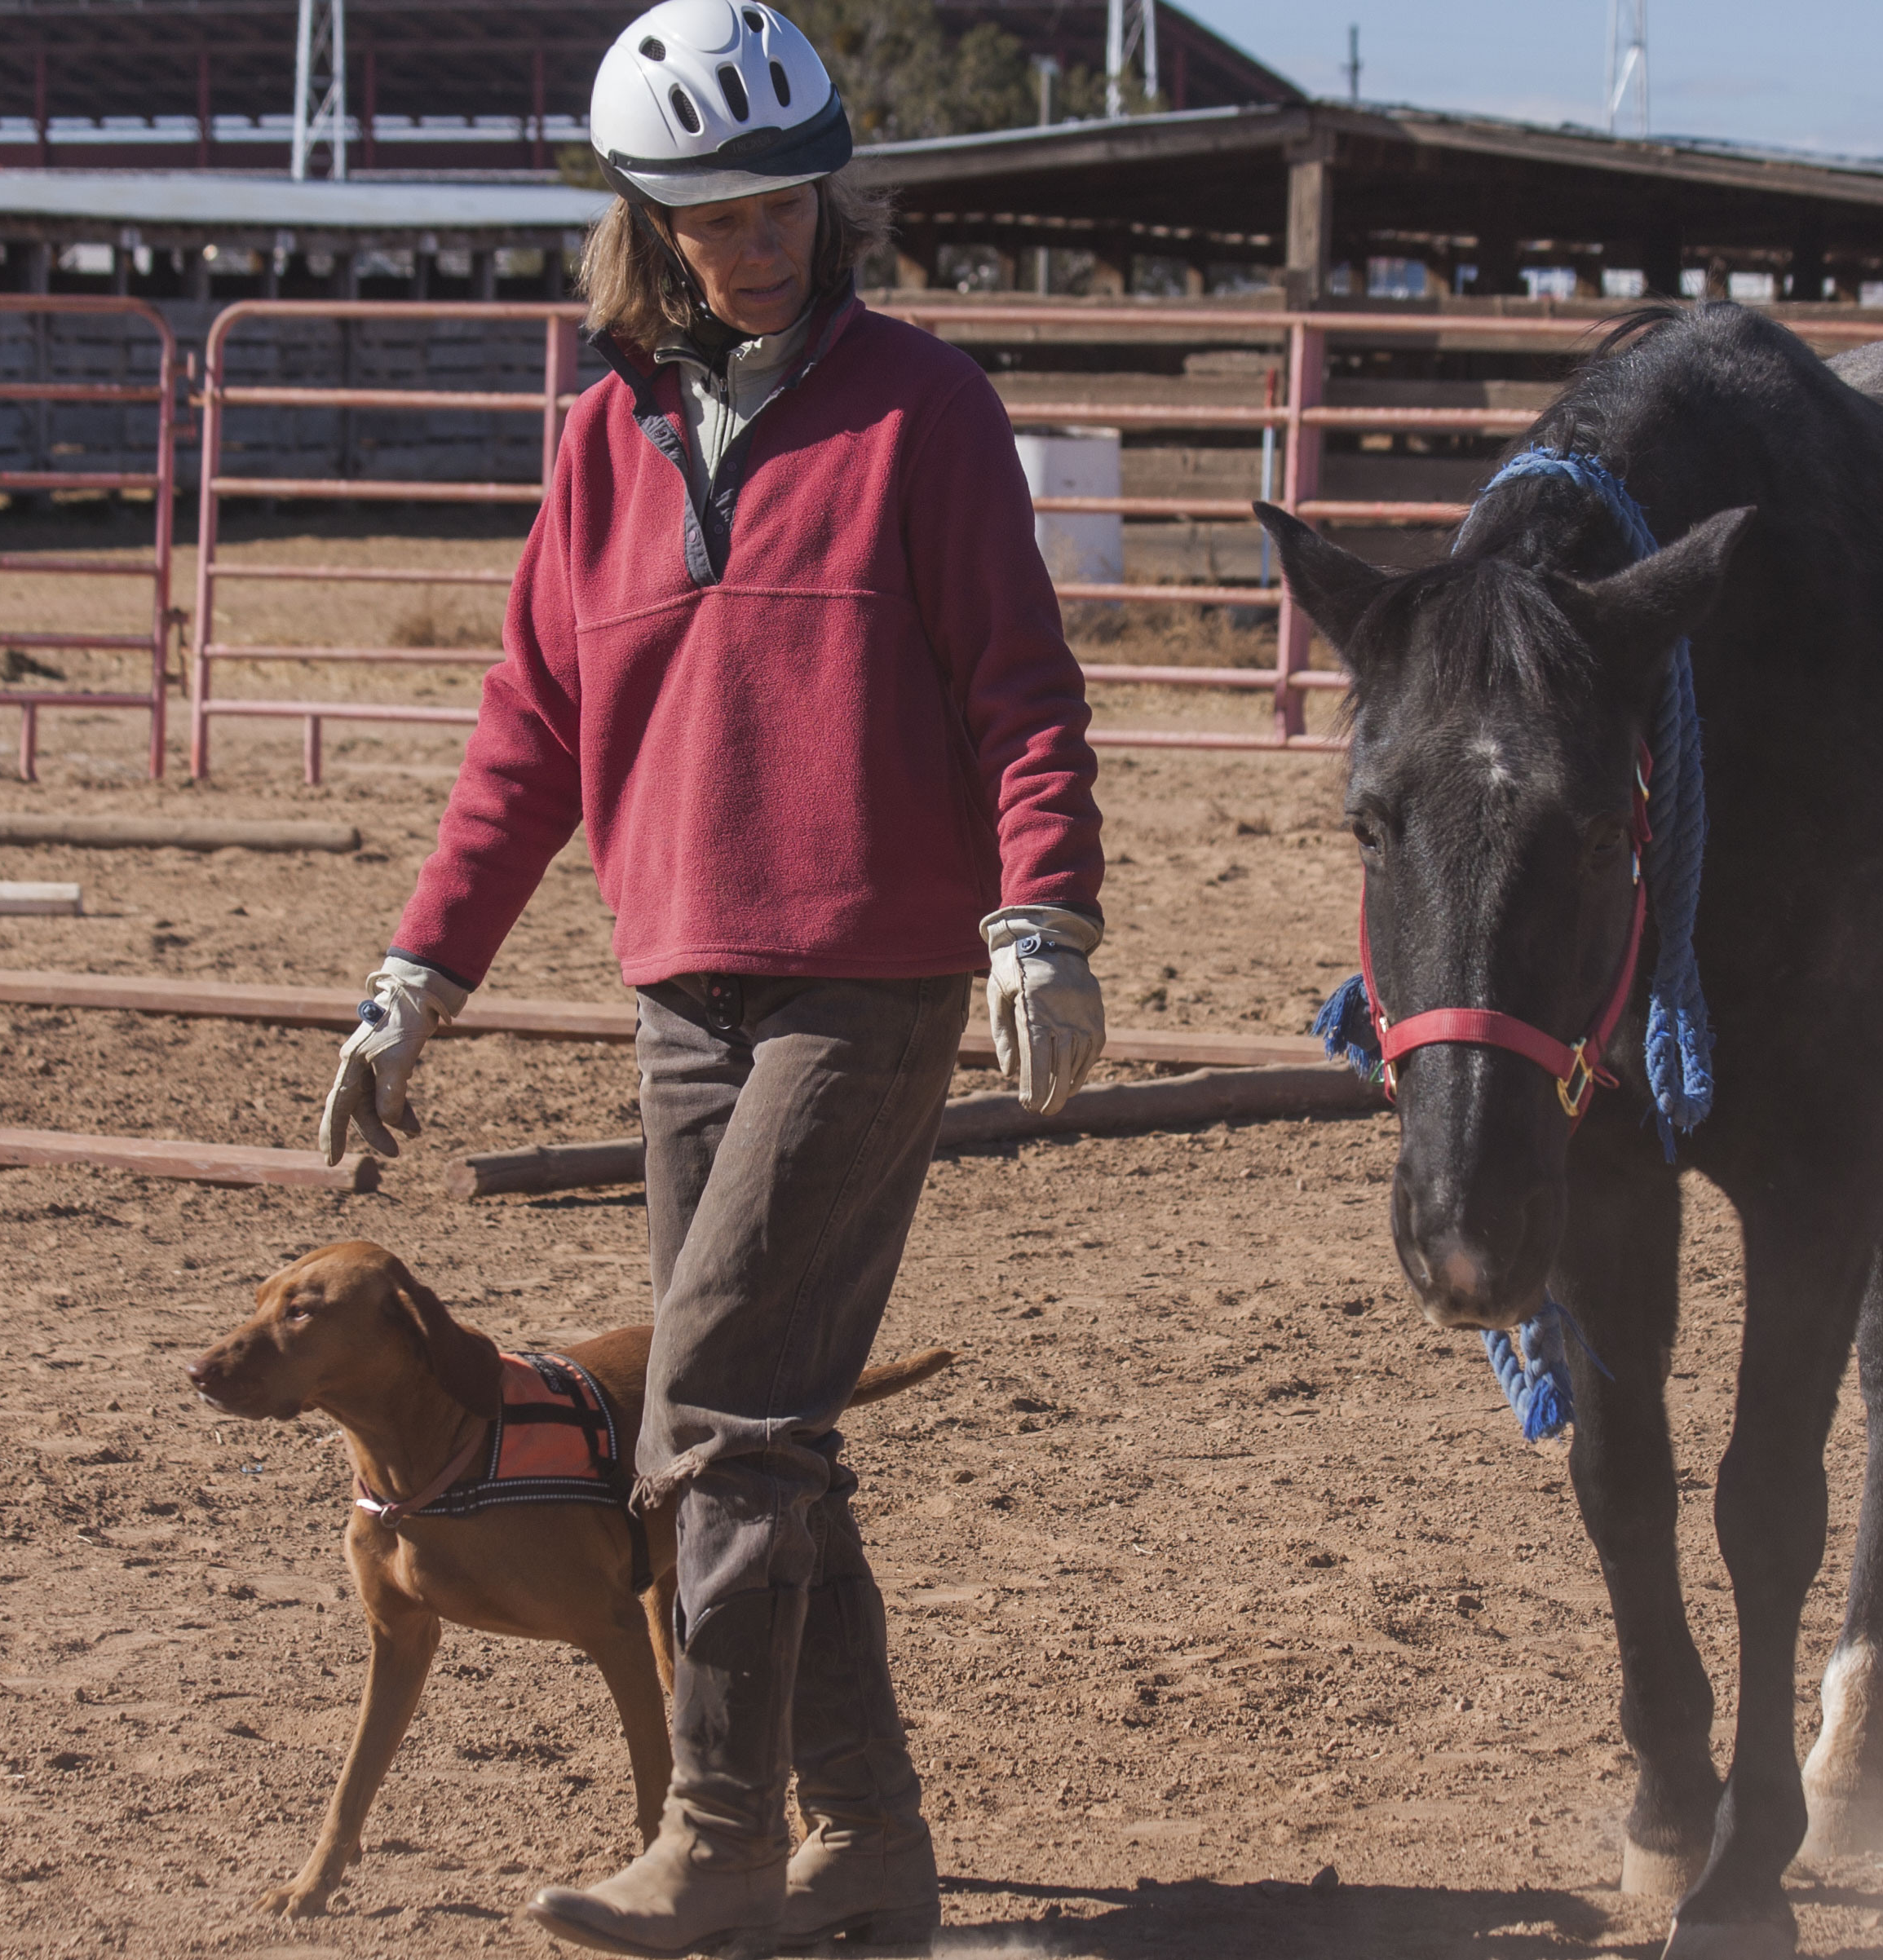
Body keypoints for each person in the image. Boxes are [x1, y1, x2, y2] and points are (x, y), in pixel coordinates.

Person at [316, 2, 1106, 1950]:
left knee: (721, 1396)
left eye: (782, 202)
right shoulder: (601, 441)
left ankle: (724, 1839)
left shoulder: (927, 411)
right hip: (682, 987)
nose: (756, 241)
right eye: (711, 214)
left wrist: (1043, 915)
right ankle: (876, 1839)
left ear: (827, 191)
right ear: (648, 226)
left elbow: (1022, 686)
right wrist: (415, 979)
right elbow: (525, 735)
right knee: (758, 1429)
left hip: (875, 977)